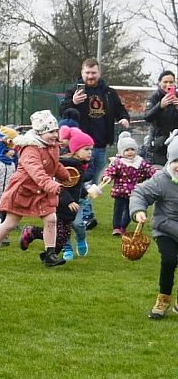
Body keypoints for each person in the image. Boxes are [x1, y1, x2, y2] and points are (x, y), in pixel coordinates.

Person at [0, 111, 69, 268]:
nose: (55, 134)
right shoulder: (30, 149)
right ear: (39, 132)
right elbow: (37, 172)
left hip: (43, 190)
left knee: (51, 219)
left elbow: (54, 164)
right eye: (50, 131)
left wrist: (64, 175)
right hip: (25, 189)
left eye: (56, 131)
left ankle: (50, 255)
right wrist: (53, 185)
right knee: (10, 223)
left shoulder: (53, 146)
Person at [59, 58, 130, 228]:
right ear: (82, 73)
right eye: (87, 73)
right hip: (78, 147)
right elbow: (63, 111)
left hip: (100, 145)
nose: (90, 76)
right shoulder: (73, 90)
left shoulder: (108, 92)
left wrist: (124, 119)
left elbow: (120, 110)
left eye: (93, 73)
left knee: (94, 181)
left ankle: (85, 213)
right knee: (82, 180)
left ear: (99, 73)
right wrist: (73, 102)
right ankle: (86, 215)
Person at [19, 126, 101, 261]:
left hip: (68, 207)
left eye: (91, 149)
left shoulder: (79, 165)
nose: (90, 152)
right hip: (60, 205)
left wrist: (86, 193)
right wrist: (69, 201)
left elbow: (75, 187)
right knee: (60, 234)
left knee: (62, 237)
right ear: (75, 150)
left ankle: (48, 256)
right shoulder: (71, 167)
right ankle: (31, 232)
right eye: (86, 149)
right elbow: (62, 187)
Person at [130, 133, 178, 318]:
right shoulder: (161, 180)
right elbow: (139, 192)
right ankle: (163, 299)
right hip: (165, 228)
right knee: (169, 260)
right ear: (169, 160)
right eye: (176, 160)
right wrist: (138, 211)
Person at [102, 132, 156, 237]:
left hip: (134, 192)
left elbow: (149, 169)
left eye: (132, 149)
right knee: (118, 210)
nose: (130, 152)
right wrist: (107, 176)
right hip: (120, 191)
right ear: (122, 152)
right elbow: (110, 171)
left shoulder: (140, 162)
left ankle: (123, 227)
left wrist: (157, 174)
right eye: (127, 150)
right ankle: (116, 227)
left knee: (129, 210)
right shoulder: (119, 162)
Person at [143, 71, 178, 165]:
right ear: (159, 83)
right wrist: (160, 106)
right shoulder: (154, 98)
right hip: (159, 143)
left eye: (171, 82)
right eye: (165, 82)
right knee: (159, 172)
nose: (168, 85)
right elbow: (147, 117)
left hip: (176, 142)